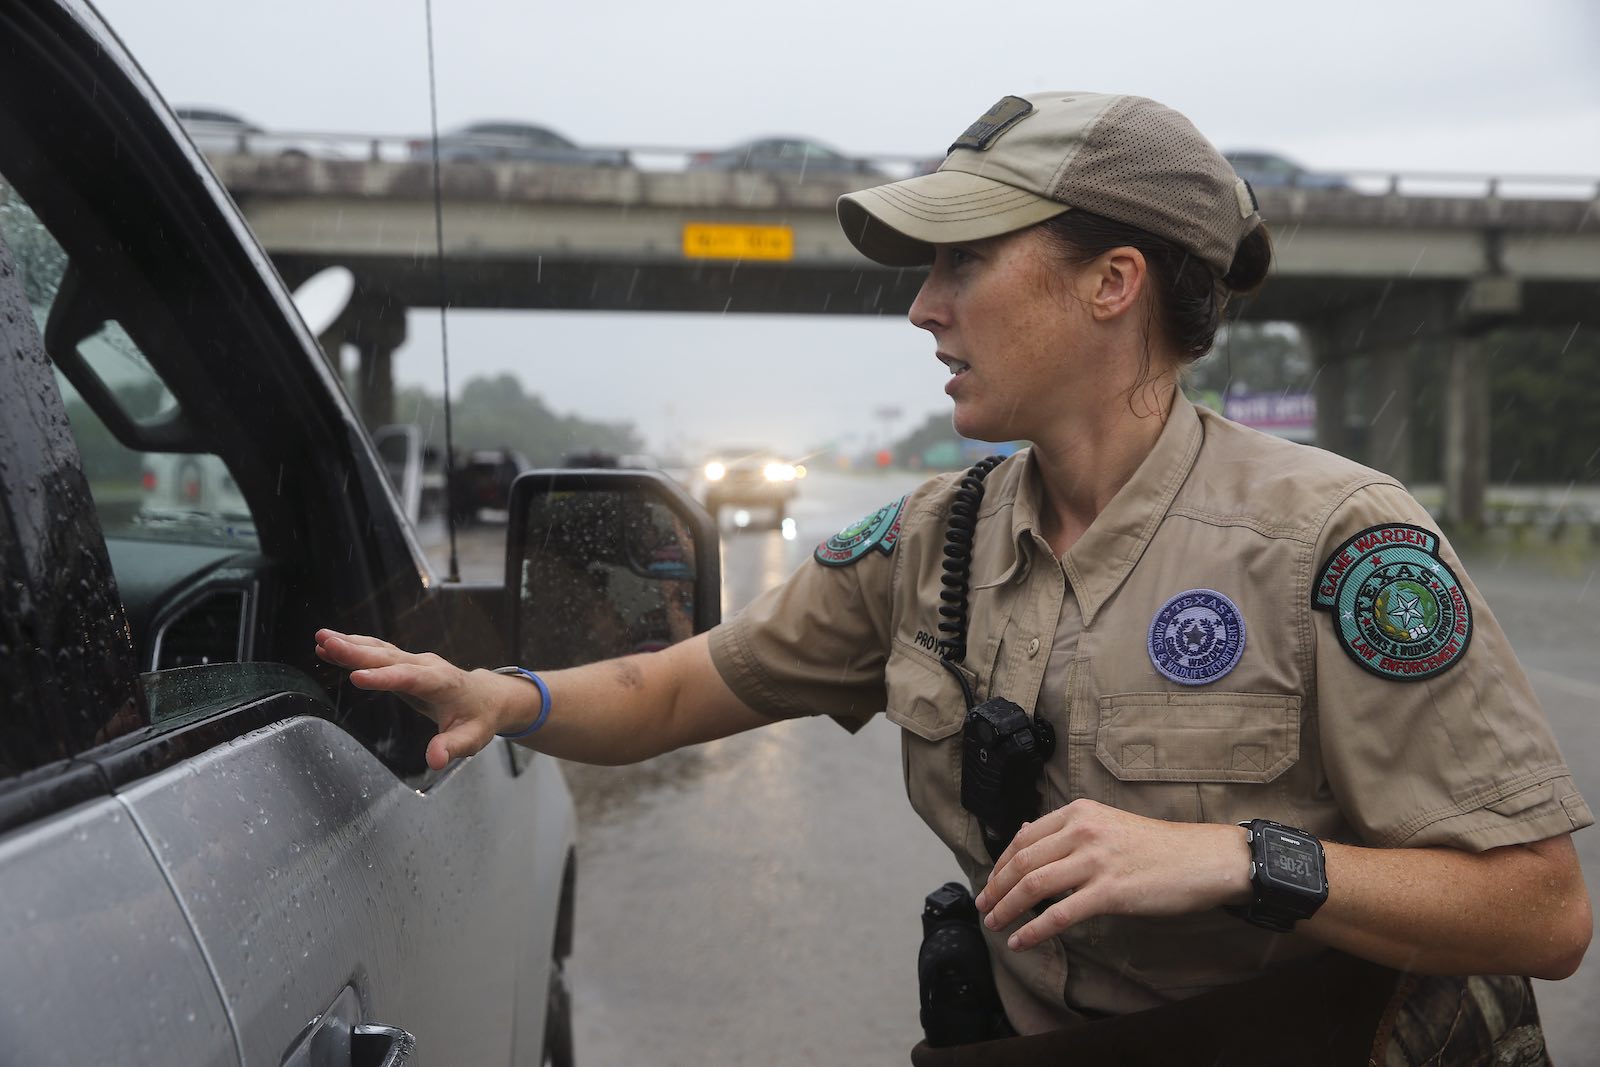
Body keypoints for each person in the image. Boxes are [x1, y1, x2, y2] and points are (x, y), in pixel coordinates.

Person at [315, 91, 1593, 1062]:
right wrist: (503, 697)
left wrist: (1237, 857)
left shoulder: (1337, 544)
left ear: (1112, 282)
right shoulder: (929, 541)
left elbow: (1538, 909)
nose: (922, 307)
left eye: (963, 262)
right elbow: (667, 690)